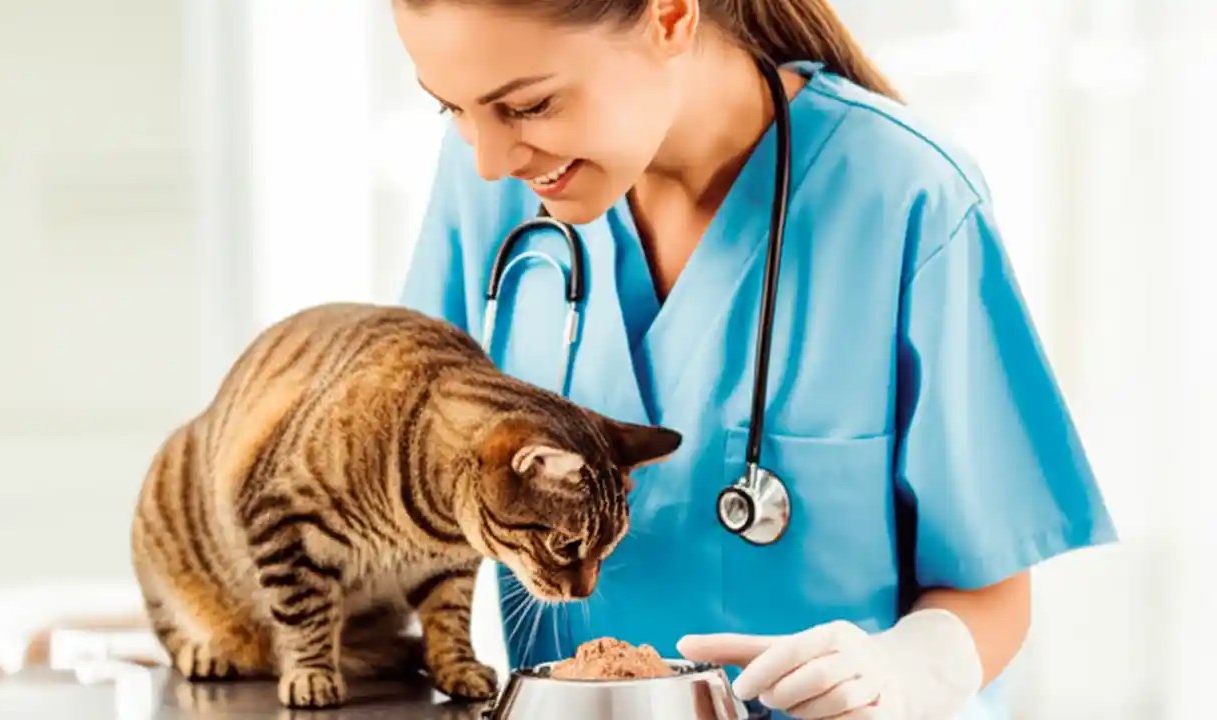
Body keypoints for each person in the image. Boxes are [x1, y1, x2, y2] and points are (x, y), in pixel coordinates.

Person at [392, 1, 1116, 718]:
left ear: (671, 17)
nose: (488, 161)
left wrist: (912, 669)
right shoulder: (500, 179)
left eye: (530, 104)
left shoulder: (905, 197)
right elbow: (405, 474)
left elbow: (989, 587)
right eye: (449, 109)